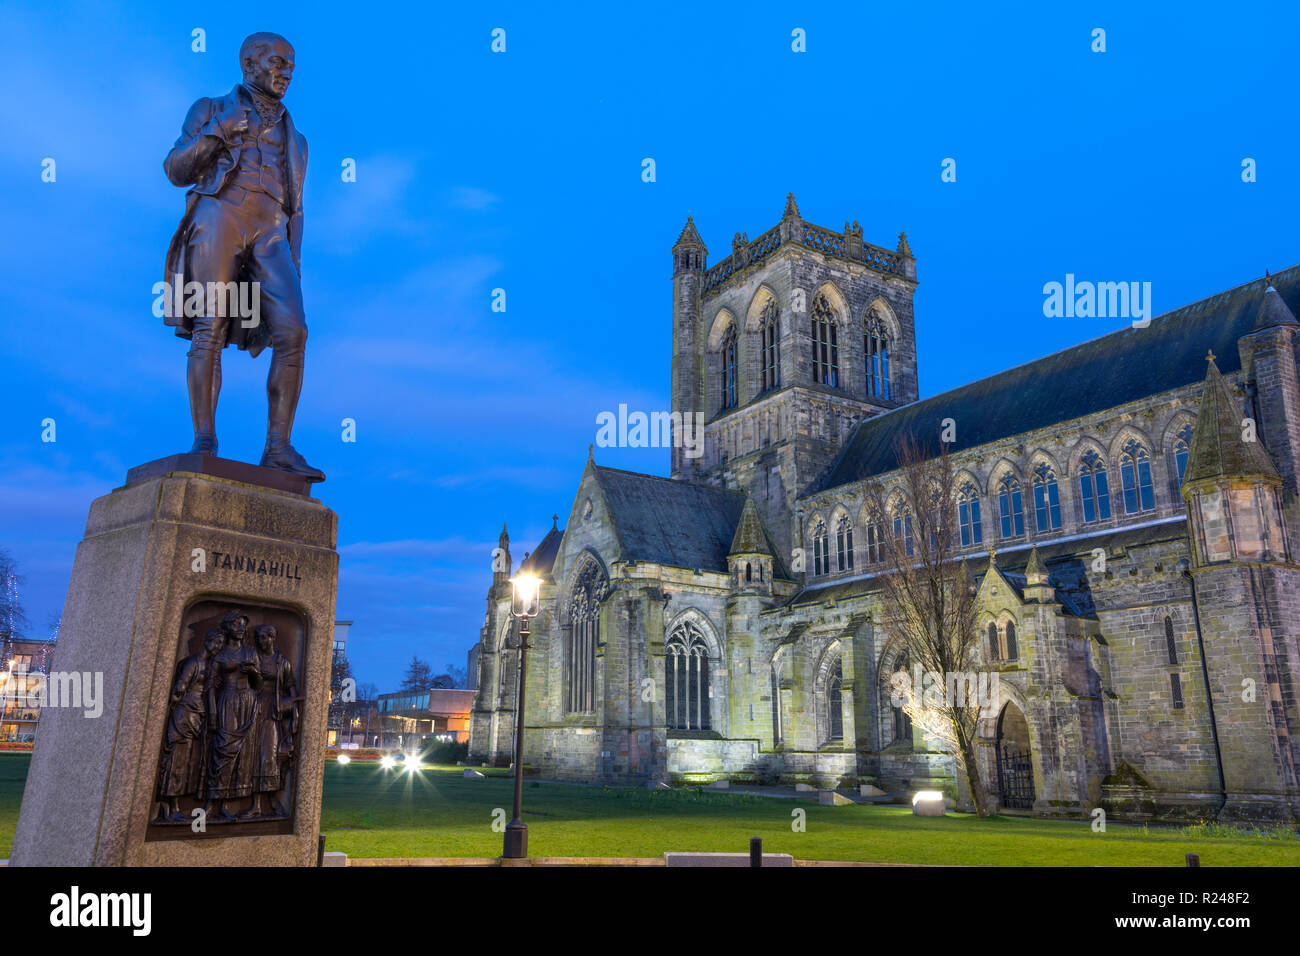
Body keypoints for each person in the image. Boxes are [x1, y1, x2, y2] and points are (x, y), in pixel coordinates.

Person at [162, 32, 323, 480]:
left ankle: (278, 447)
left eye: (291, 65)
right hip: (220, 216)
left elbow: (298, 207)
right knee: (207, 329)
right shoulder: (210, 109)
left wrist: (295, 259)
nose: (287, 72)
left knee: (294, 331)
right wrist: (216, 133)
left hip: (271, 231)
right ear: (249, 64)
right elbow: (175, 170)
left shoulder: (298, 140)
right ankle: (205, 441)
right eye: (278, 62)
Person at [156, 627, 223, 822]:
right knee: (177, 759)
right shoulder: (194, 663)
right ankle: (170, 806)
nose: (218, 647)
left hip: (196, 716)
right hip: (185, 715)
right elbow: (179, 688)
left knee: (187, 762)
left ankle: (175, 805)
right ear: (207, 641)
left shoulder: (209, 666)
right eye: (216, 642)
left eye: (221, 644)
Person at [204, 610, 261, 821]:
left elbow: (260, 685)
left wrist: (254, 672)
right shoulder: (220, 655)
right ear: (228, 627)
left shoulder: (250, 652)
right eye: (236, 623)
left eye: (243, 624)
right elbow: (210, 686)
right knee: (222, 750)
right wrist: (211, 711)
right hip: (227, 700)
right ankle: (212, 802)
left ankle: (229, 803)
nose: (240, 627)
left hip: (248, 701)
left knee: (243, 756)